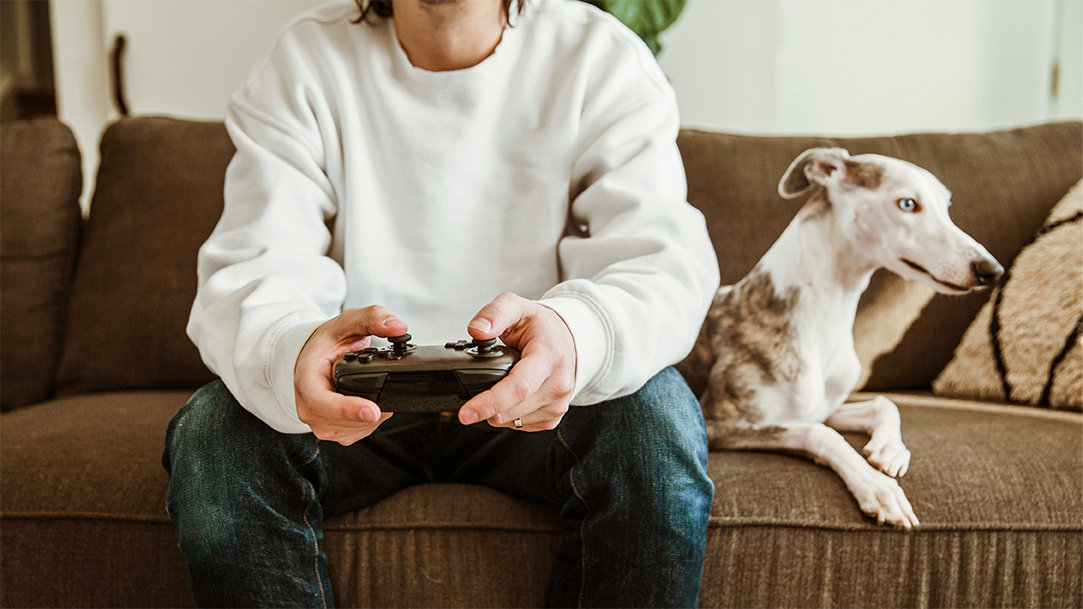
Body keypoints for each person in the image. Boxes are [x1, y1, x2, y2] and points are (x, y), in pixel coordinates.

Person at [163, 0, 720, 606]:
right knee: (215, 433)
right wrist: (292, 348)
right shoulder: (303, 61)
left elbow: (661, 260)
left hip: (530, 397)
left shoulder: (600, 56)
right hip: (357, 401)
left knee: (655, 421)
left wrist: (573, 331)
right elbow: (259, 257)